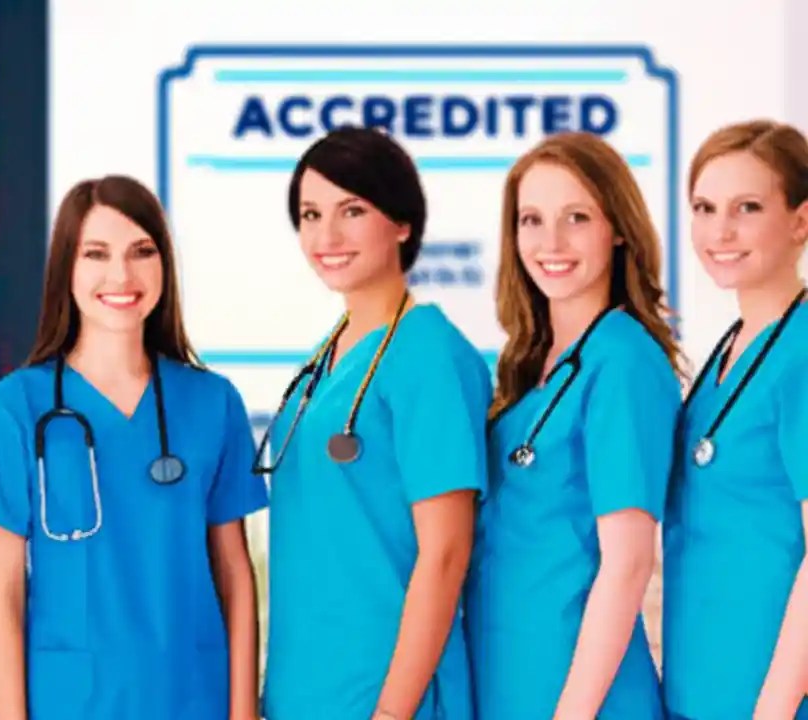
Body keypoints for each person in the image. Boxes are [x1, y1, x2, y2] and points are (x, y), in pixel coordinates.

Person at [0, 174, 268, 720]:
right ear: (66, 270)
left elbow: (235, 578)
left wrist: (241, 713)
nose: (121, 274)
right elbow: (2, 596)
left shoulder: (212, 403)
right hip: (72, 701)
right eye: (96, 254)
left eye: (141, 252)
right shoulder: (14, 411)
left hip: (192, 696)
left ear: (164, 264)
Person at [258, 127, 487, 720]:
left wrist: (391, 712)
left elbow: (446, 550)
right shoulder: (323, 361)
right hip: (302, 690)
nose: (326, 235)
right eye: (310, 214)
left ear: (403, 222)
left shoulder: (428, 353)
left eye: (352, 210)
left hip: (386, 696)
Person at [465, 132, 682, 719]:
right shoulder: (527, 365)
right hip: (507, 681)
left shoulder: (624, 361)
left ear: (618, 229)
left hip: (581, 698)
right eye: (531, 219)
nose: (550, 242)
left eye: (576, 217)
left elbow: (629, 562)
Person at [663, 120, 808, 720]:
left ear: (801, 221)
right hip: (701, 690)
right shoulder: (729, 351)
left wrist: (773, 708)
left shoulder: (800, 353)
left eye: (747, 207)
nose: (719, 230)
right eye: (704, 207)